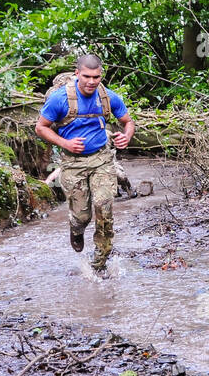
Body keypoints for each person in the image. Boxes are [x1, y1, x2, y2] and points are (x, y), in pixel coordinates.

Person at [35, 54, 135, 272]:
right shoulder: (60, 99)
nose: (91, 82)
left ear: (101, 75)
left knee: (104, 207)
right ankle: (76, 228)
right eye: (87, 76)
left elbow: (127, 122)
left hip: (102, 160)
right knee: (82, 215)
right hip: (72, 163)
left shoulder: (107, 97)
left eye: (96, 77)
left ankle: (99, 262)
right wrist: (66, 143)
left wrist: (126, 137)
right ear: (77, 73)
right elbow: (40, 127)